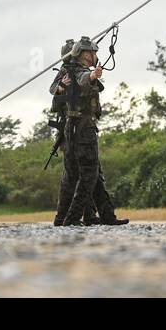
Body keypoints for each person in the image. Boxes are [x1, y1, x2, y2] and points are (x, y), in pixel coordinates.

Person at [51, 36, 128, 226]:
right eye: (93, 52)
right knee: (87, 175)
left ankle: (105, 216)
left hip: (79, 126)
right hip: (81, 127)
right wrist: (92, 76)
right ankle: (71, 218)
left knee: (91, 174)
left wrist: (91, 76)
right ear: (85, 54)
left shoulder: (76, 69)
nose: (96, 55)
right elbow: (82, 79)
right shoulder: (75, 70)